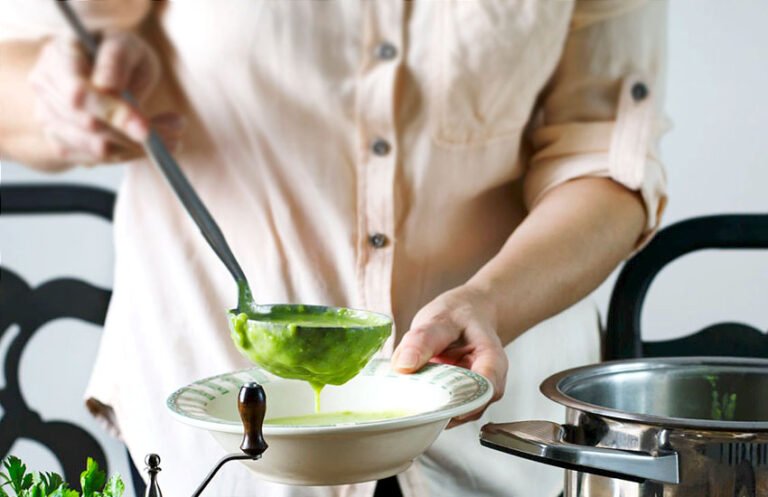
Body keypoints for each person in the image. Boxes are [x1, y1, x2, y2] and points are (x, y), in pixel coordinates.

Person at [0, 1, 668, 496]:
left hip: (490, 427)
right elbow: (20, 67)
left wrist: (491, 298)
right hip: (219, 424)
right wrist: (58, 100)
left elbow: (606, 162)